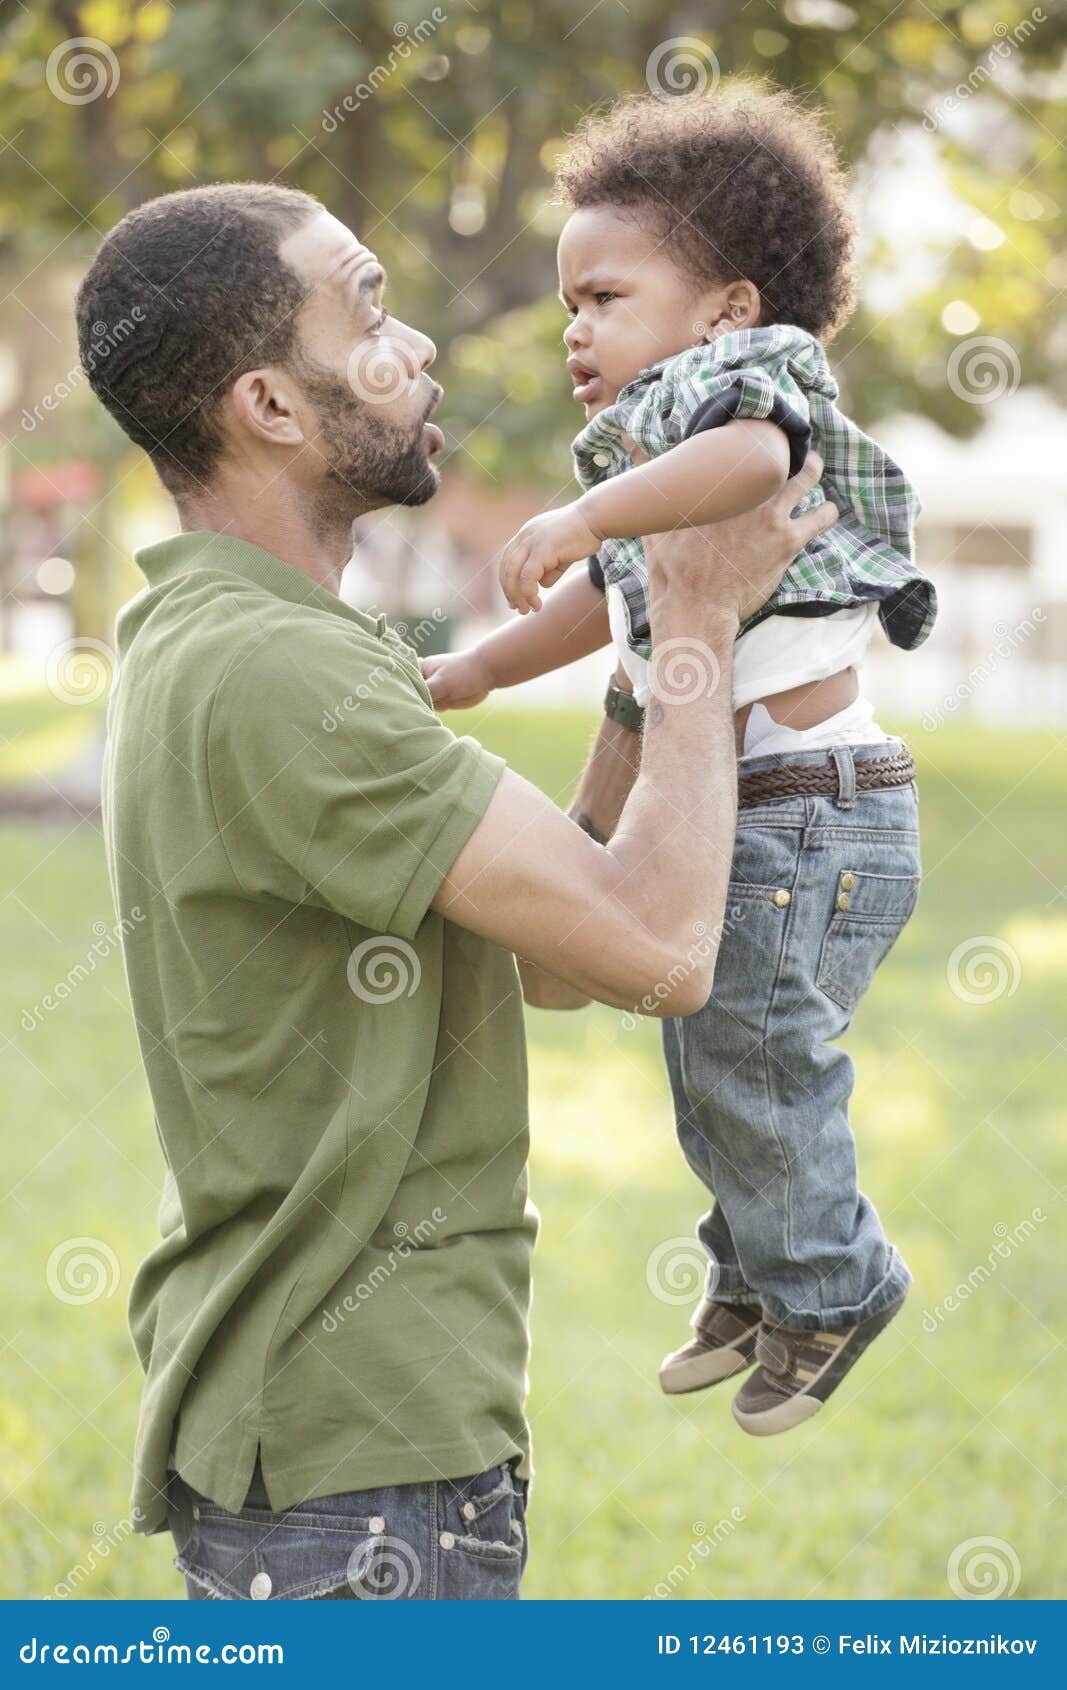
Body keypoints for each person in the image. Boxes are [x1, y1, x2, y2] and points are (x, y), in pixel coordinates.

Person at [77, 181, 836, 1599]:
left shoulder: (246, 637)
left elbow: (557, 955)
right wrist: (695, 617)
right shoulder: (286, 674)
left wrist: (635, 655)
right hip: (359, 1470)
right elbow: (663, 951)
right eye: (366, 307)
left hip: (347, 1450)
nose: (416, 341)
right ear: (272, 407)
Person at [423, 83, 932, 1437]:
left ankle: (837, 1277)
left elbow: (748, 465)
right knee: (720, 1064)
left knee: (758, 1062)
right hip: (782, 817)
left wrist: (587, 507)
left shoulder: (748, 395)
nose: (573, 328)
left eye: (603, 294)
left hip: (810, 815)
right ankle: (756, 1275)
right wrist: (480, 668)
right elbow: (626, 605)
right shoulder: (673, 446)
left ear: (726, 306)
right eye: (568, 301)